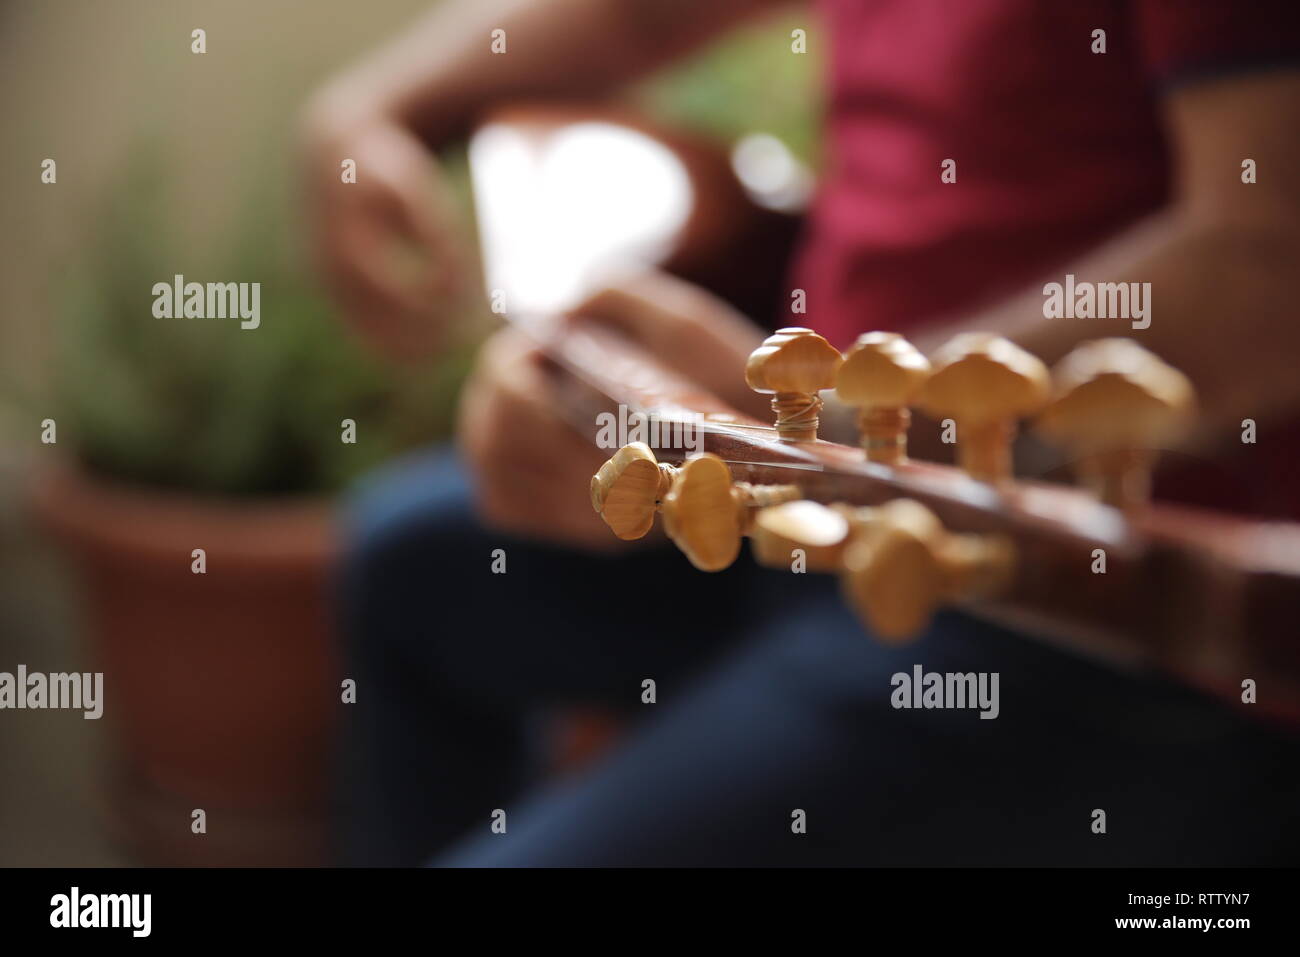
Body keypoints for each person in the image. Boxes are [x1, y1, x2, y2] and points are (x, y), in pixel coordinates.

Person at [300, 0, 1300, 866]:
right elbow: (640, 15)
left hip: (1099, 619)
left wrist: (806, 426)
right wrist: (372, 109)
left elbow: (1266, 271)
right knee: (410, 562)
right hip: (832, 514)